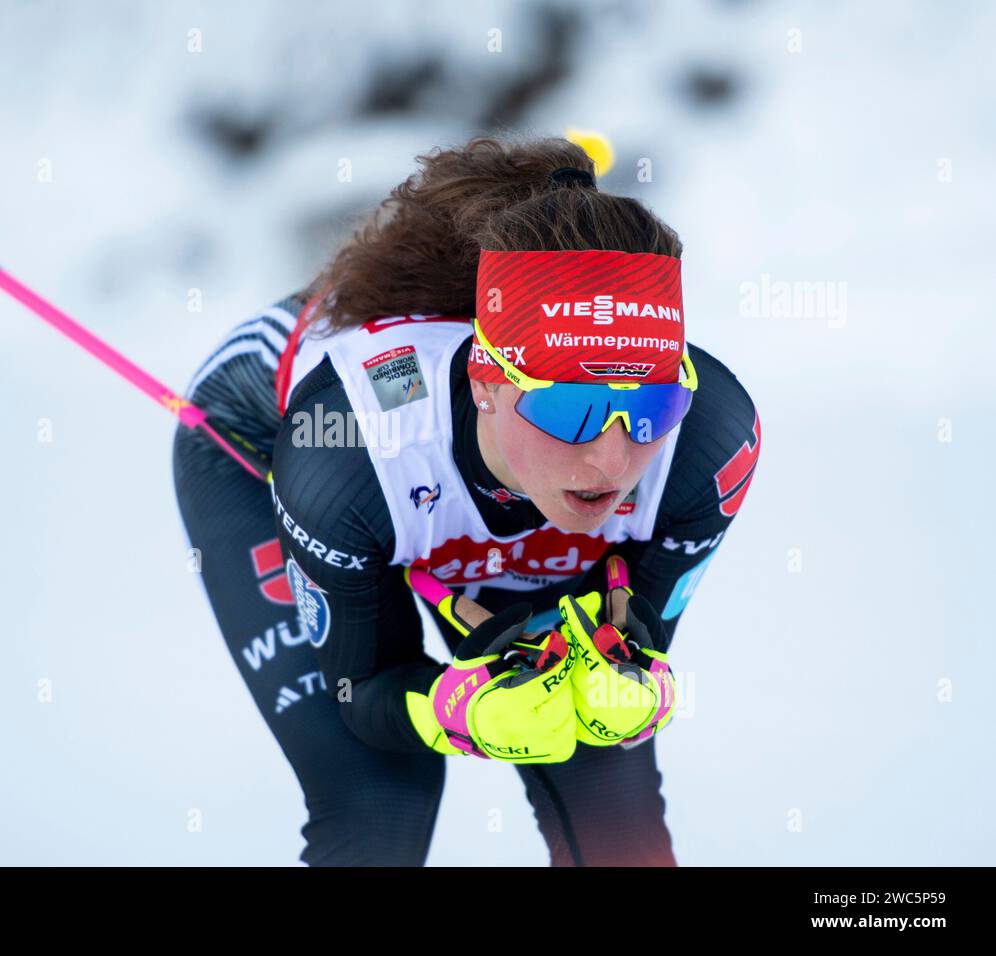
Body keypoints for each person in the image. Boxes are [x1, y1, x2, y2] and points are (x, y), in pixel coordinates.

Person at [172, 135, 761, 866]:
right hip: (268, 442)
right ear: (487, 382)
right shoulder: (348, 446)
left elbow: (630, 644)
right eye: (570, 412)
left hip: (466, 476)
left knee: (609, 792)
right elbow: (367, 688)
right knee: (382, 792)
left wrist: (635, 674)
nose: (614, 459)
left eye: (650, 408)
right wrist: (456, 711)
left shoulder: (707, 443)